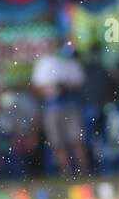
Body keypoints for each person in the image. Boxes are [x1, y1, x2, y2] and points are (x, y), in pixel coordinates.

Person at [31, 43, 89, 175]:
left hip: (70, 106)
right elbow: (37, 87)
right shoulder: (44, 62)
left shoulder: (70, 60)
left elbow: (80, 83)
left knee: (76, 140)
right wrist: (52, 88)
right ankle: (66, 173)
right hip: (51, 107)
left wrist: (66, 87)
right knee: (57, 143)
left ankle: (83, 172)